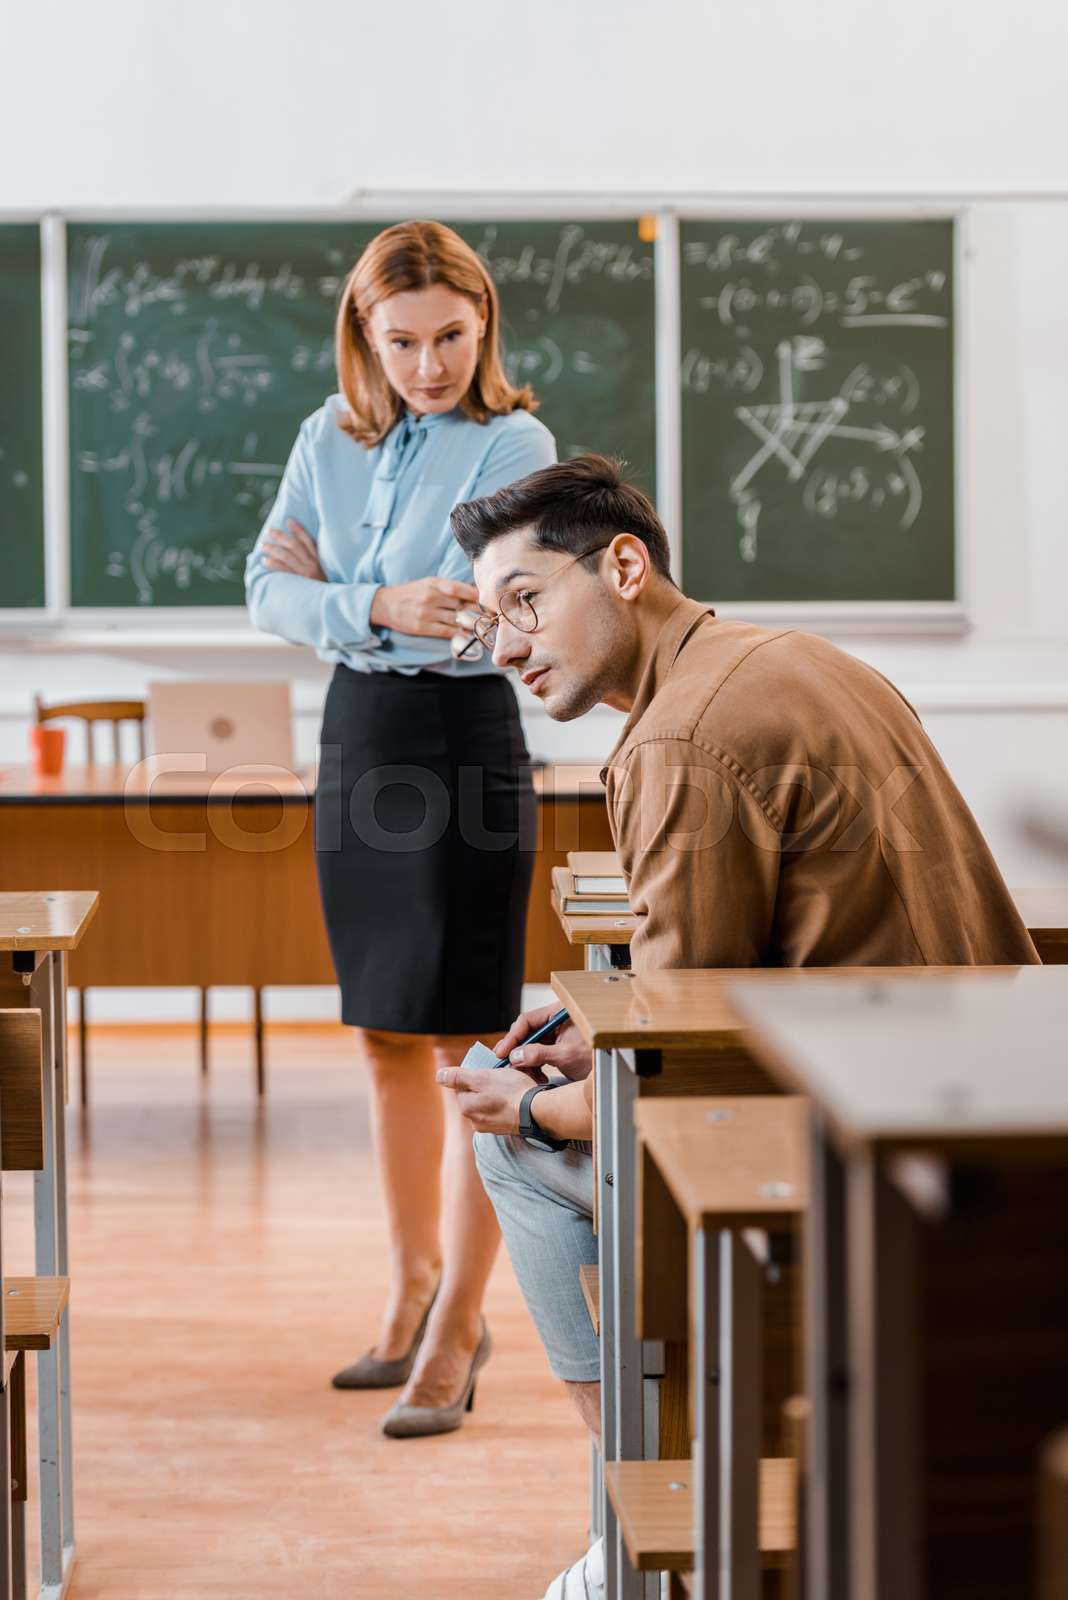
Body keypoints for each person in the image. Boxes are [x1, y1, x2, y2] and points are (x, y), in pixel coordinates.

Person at [435, 452, 1039, 1595]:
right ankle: (652, 1504)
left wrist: (533, 1103)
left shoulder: (674, 740)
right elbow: (743, 959)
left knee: (505, 1132)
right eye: (488, 620)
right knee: (542, 1071)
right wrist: (589, 1015)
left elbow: (678, 1076)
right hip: (975, 1082)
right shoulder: (790, 658)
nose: (507, 644)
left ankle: (648, 1522)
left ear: (624, 565)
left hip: (873, 1145)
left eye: (526, 600)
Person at [245, 221, 555, 1439]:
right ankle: (410, 1284)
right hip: (360, 733)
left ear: (483, 327)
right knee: (384, 1033)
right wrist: (373, 605)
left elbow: (493, 618)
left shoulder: (516, 442)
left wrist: (368, 609)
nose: (429, 364)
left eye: (451, 337)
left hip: (467, 735)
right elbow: (267, 588)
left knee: (472, 1036)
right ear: (365, 337)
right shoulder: (328, 436)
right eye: (404, 341)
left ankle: (462, 1323)